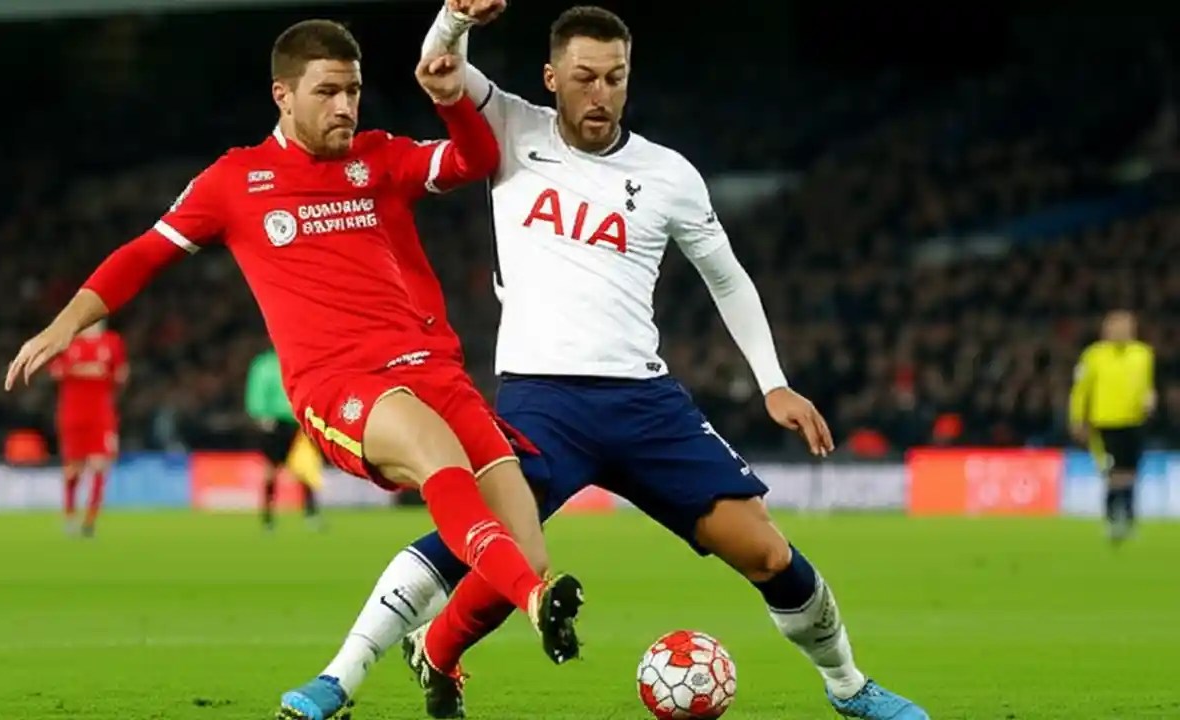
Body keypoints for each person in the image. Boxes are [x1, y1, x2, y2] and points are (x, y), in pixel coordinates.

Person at [290, 4, 928, 720]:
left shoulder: (668, 174)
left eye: (615, 78)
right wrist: (452, 21)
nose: (600, 93)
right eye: (585, 77)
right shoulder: (511, 125)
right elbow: (438, 72)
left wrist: (773, 383)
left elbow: (727, 276)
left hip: (645, 405)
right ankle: (342, 676)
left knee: (767, 554)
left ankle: (849, 688)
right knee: (480, 542)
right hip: (542, 401)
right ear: (552, 77)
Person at [2, 20, 583, 720]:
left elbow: (474, 158)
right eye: (328, 92)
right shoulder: (235, 180)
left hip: (433, 371)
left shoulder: (377, 159)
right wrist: (66, 324)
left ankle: (431, 653)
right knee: (438, 459)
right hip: (341, 386)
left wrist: (453, 91)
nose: (346, 107)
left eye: (355, 91)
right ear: (283, 95)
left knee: (526, 544)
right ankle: (532, 601)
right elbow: (143, 255)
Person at [1069, 309, 1156, 543]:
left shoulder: (1143, 354)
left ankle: (1128, 520)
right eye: (1116, 327)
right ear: (1105, 330)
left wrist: (1150, 398)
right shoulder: (1093, 356)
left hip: (1134, 422)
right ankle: (1111, 520)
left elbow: (1146, 385)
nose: (1121, 331)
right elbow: (1081, 391)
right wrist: (1078, 419)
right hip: (1104, 422)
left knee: (1130, 473)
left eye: (1126, 327)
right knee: (1113, 472)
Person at [47, 319, 126, 537]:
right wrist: (85, 370)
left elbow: (121, 374)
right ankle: (70, 515)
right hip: (72, 414)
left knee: (100, 464)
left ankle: (90, 521)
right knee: (73, 467)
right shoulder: (68, 341)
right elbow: (55, 370)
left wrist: (98, 373)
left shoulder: (112, 342)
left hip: (101, 414)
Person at [247, 346, 321, 531]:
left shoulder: (296, 359)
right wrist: (260, 414)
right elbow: (256, 391)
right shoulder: (265, 364)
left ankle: (310, 514)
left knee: (305, 468)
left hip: (297, 422)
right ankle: (268, 517)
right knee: (271, 470)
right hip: (274, 423)